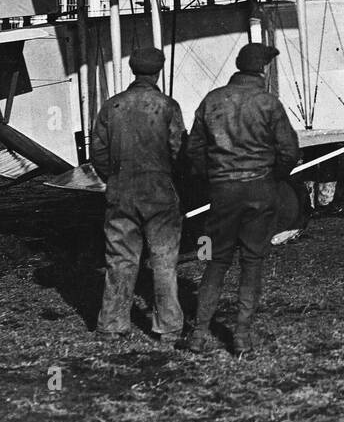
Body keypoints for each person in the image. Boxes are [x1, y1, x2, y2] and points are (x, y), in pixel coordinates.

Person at [186, 43, 299, 356]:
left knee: (215, 260)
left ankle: (198, 334)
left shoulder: (212, 100)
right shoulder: (268, 103)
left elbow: (194, 150)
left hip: (223, 192)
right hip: (260, 190)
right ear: (262, 69)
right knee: (252, 262)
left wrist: (215, 176)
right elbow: (290, 151)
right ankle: (242, 337)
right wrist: (271, 177)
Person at [90, 47, 187, 343]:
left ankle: (112, 323)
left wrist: (115, 177)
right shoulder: (167, 106)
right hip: (159, 190)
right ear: (158, 71)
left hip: (121, 189)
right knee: (164, 260)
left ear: (133, 70)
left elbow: (98, 151)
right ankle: (168, 326)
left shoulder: (112, 106)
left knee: (120, 258)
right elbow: (179, 150)